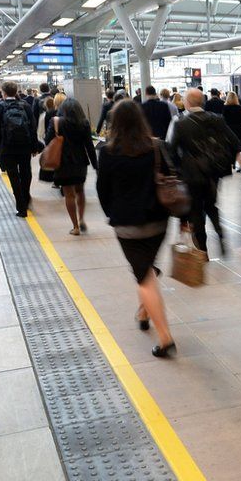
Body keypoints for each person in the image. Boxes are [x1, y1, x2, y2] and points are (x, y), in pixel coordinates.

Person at [96, 100, 176, 359]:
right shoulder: (156, 146)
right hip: (159, 221)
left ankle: (165, 338)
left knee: (143, 276)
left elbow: (102, 189)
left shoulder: (108, 152)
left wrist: (112, 213)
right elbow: (172, 177)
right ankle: (144, 312)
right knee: (147, 269)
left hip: (127, 225)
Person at [169, 88, 238, 256]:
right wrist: (223, 162)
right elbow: (235, 142)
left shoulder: (181, 124)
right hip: (213, 173)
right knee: (211, 205)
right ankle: (221, 234)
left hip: (191, 175)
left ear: (187, 103)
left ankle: (203, 250)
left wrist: (179, 170)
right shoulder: (217, 120)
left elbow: (172, 151)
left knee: (196, 211)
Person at [45, 98, 98, 235]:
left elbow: (47, 141)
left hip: (63, 163)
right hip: (80, 163)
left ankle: (75, 227)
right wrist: (95, 165)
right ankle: (81, 219)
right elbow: (89, 147)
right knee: (80, 191)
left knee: (69, 194)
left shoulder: (56, 122)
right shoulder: (84, 123)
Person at [0, 81, 41, 217]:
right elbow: (32, 128)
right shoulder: (25, 106)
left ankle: (21, 207)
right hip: (24, 146)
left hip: (7, 148)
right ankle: (26, 197)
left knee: (13, 176)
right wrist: (34, 146)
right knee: (26, 173)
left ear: (3, 92)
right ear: (16, 91)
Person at [223, 92, 241, 172]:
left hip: (228, 130)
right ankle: (240, 165)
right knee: (237, 149)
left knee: (229, 148)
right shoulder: (240, 108)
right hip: (239, 130)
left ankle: (231, 165)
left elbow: (223, 120)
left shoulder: (225, 108)